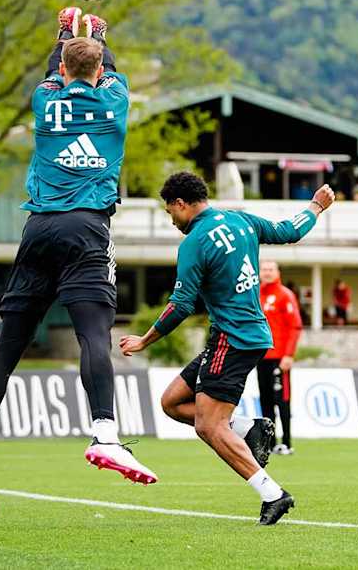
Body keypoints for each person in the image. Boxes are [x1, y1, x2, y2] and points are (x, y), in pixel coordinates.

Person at [0, 8, 157, 520]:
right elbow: (95, 66)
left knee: (8, 347)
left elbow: (61, 68)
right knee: (94, 335)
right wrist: (98, 37)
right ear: (101, 71)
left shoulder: (45, 100)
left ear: (62, 71)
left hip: (39, 228)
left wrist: (66, 32)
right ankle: (105, 435)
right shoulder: (114, 98)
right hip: (86, 228)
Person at [120, 172, 335, 525]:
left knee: (208, 426)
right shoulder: (239, 219)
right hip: (248, 336)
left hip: (231, 338)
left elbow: (181, 304)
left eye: (170, 211)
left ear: (181, 204)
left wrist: (145, 339)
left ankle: (273, 494)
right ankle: (248, 428)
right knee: (172, 402)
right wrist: (315, 207)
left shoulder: (194, 242)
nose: (172, 220)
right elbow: (288, 231)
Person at [258, 260, 302, 455]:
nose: (267, 273)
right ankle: (269, 443)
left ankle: (286, 442)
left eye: (271, 269)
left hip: (280, 357)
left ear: (277, 272)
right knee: (265, 401)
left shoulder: (285, 295)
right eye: (264, 269)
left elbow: (295, 326)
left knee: (282, 400)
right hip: (261, 357)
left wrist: (289, 355)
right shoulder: (255, 294)